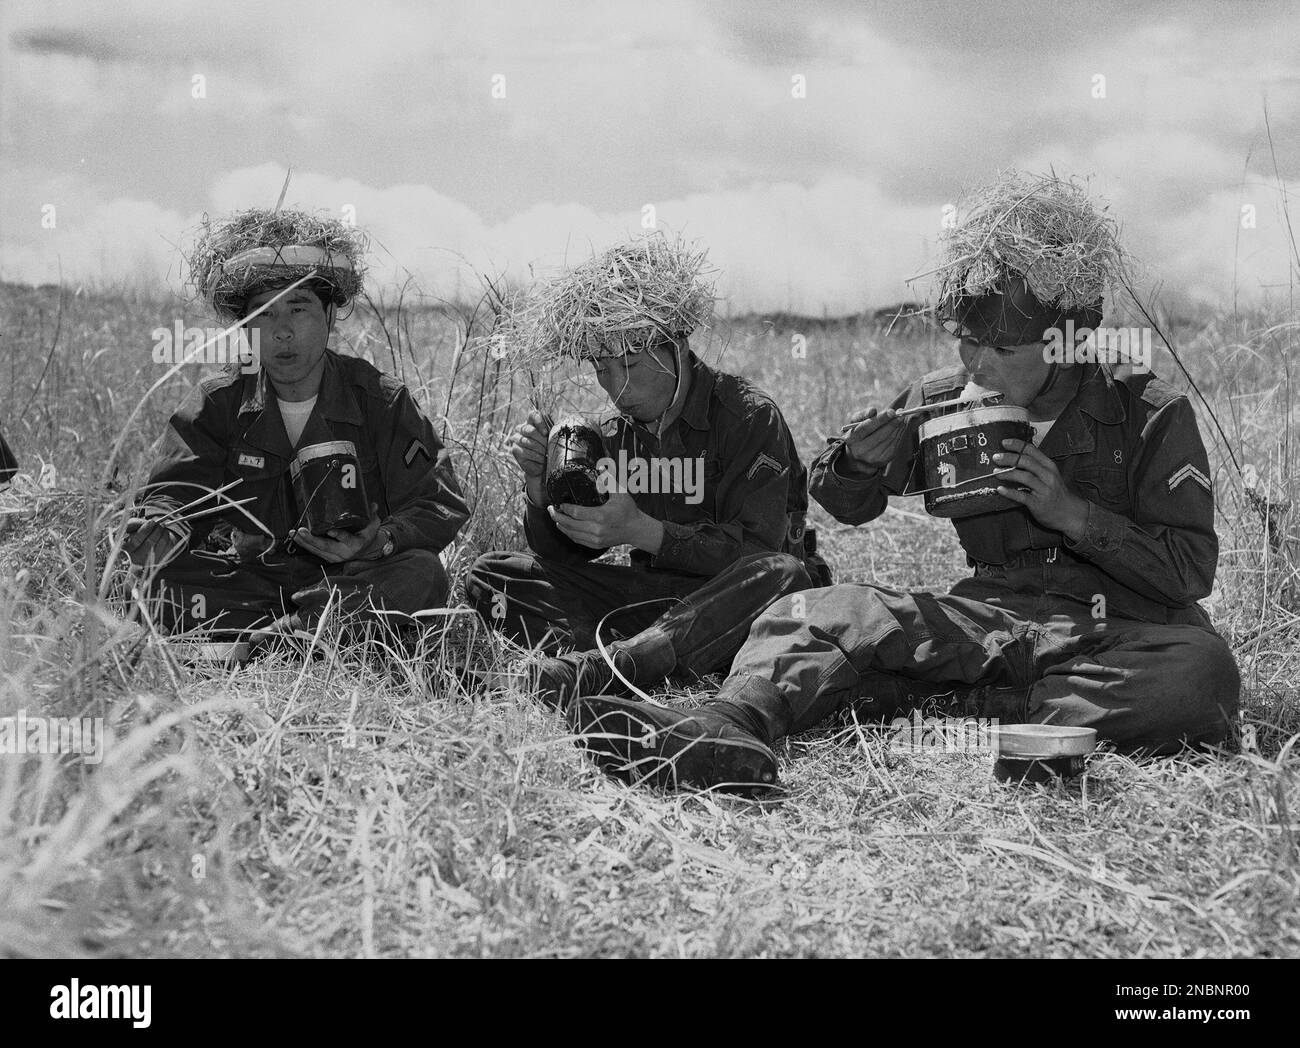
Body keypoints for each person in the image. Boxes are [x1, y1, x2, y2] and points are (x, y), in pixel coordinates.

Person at [569, 173, 1241, 793]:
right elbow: (844, 504)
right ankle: (727, 727)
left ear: (1070, 338)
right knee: (814, 611)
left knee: (1201, 674)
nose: (979, 364)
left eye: (1003, 350)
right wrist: (859, 461)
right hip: (991, 622)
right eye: (966, 343)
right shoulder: (946, 399)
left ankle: (934, 706)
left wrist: (1078, 517)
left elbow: (1190, 572)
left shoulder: (1148, 410)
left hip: (1116, 636)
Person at [467, 234, 818, 708]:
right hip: (654, 604)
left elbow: (757, 553)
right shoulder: (611, 434)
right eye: (601, 368)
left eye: (629, 364)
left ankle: (611, 665)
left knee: (784, 575)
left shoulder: (750, 418)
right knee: (494, 575)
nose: (615, 387)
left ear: (673, 346)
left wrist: (643, 531)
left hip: (737, 604)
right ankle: (653, 653)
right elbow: (567, 554)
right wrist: (538, 490)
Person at [125, 209, 469, 647]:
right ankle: (306, 640)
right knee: (147, 583)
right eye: (265, 314)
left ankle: (282, 640)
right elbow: (174, 493)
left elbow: (437, 502)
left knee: (421, 573)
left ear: (329, 315)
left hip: (345, 584)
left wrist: (376, 543)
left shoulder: (381, 400)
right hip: (248, 581)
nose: (283, 331)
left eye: (300, 308)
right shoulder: (218, 402)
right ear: (246, 327)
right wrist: (159, 531)